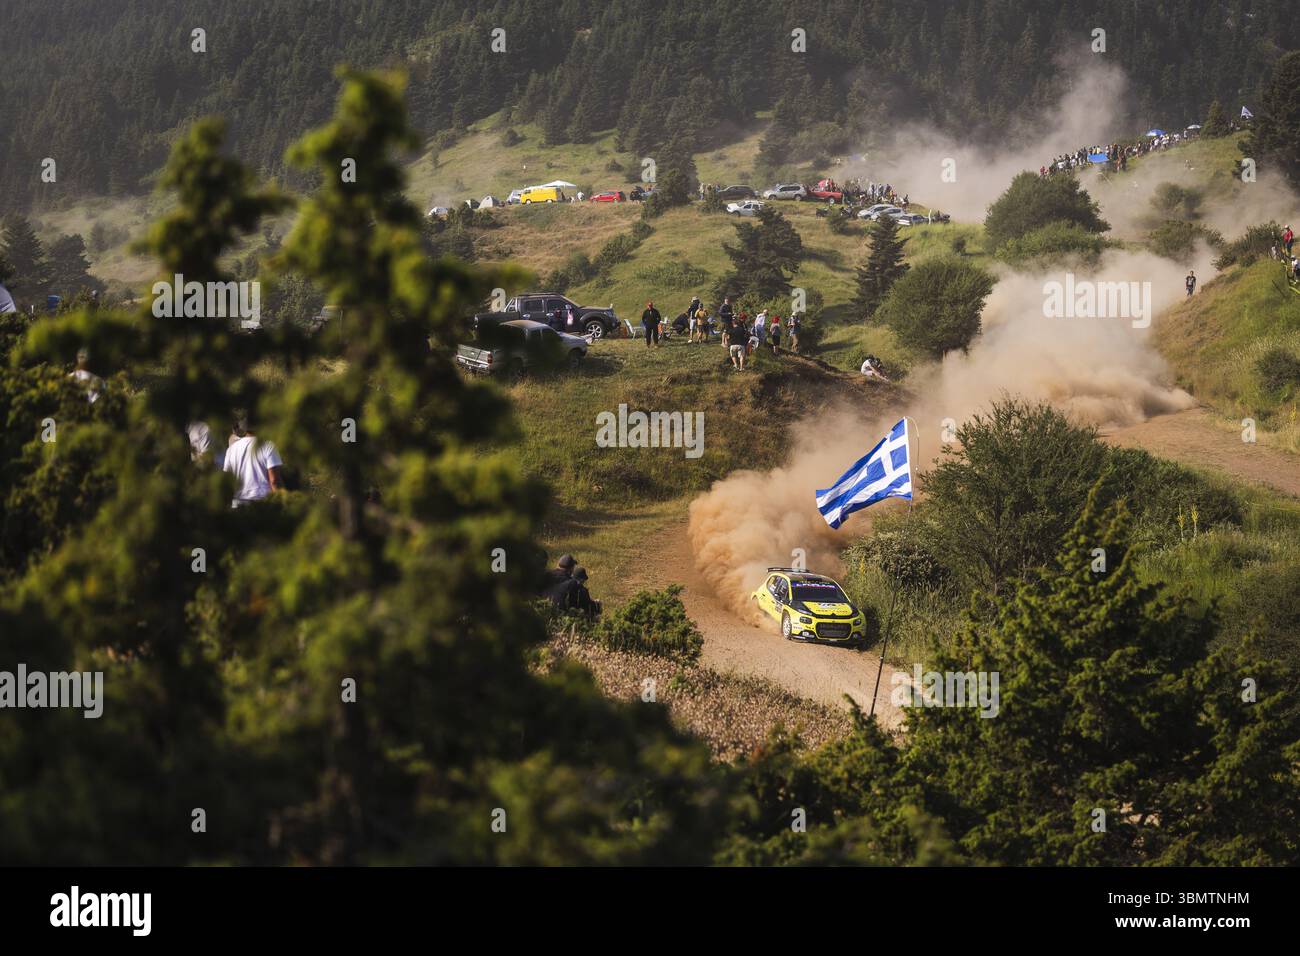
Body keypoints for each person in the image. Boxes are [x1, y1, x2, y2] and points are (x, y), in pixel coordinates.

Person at [221, 411, 284, 508]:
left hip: (238, 503)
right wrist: (280, 503)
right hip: (262, 503)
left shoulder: (231, 449)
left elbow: (227, 482)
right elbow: (274, 480)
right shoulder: (268, 446)